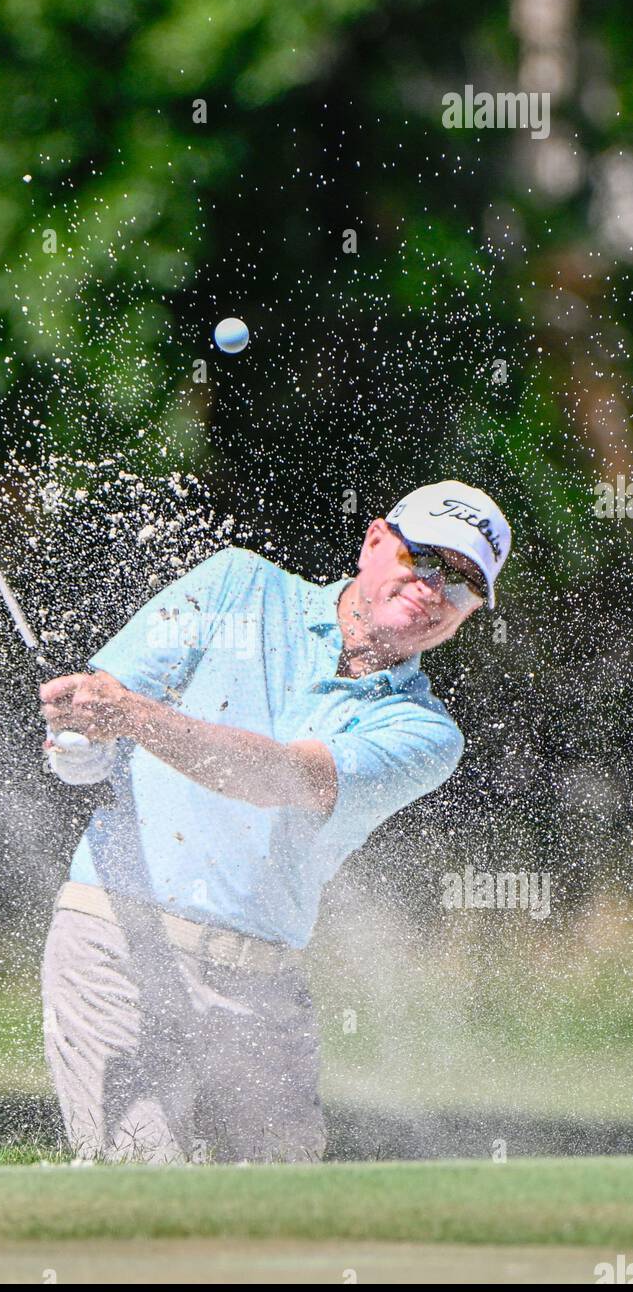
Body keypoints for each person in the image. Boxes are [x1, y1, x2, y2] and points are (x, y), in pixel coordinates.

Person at [39, 480, 511, 1163]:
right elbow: (97, 712)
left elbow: (283, 777)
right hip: (115, 940)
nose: (436, 587)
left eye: (464, 581)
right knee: (142, 1177)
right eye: (425, 559)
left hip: (260, 982)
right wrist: (80, 742)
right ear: (374, 540)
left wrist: (131, 718)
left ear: (471, 611)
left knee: (278, 1213)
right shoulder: (239, 584)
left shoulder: (424, 734)